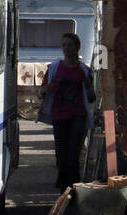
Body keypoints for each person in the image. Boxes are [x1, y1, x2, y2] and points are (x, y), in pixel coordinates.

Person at [37, 32, 95, 192]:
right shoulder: (54, 68)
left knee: (73, 153)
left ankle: (73, 187)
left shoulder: (84, 70)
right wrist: (48, 88)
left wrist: (86, 83)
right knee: (61, 154)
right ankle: (64, 184)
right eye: (64, 45)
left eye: (70, 45)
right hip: (59, 115)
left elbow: (91, 97)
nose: (67, 48)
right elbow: (40, 92)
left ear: (77, 47)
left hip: (78, 115)